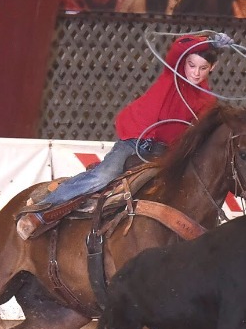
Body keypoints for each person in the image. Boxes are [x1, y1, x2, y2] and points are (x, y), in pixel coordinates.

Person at [17, 33, 231, 238]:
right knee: (104, 176)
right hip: (134, 139)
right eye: (191, 65)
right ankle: (43, 210)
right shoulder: (173, 75)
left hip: (164, 150)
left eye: (203, 68)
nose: (195, 72)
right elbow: (179, 46)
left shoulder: (207, 101)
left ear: (212, 67)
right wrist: (206, 42)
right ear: (183, 63)